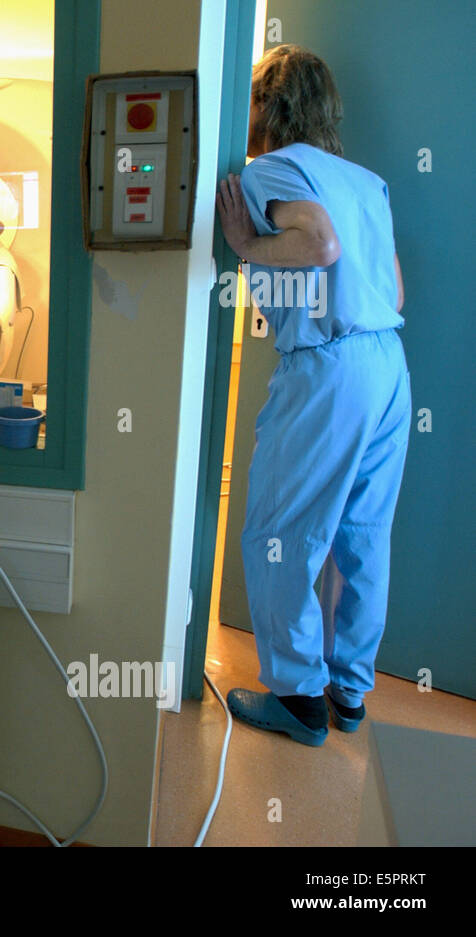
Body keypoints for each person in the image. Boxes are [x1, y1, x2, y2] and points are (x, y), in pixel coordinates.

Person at [215, 45, 409, 747]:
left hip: (329, 369)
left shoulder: (272, 168)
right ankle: (349, 693)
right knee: (363, 534)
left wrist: (245, 243)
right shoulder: (366, 181)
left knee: (277, 533)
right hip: (388, 360)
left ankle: (298, 698)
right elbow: (394, 289)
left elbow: (319, 245)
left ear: (271, 103)